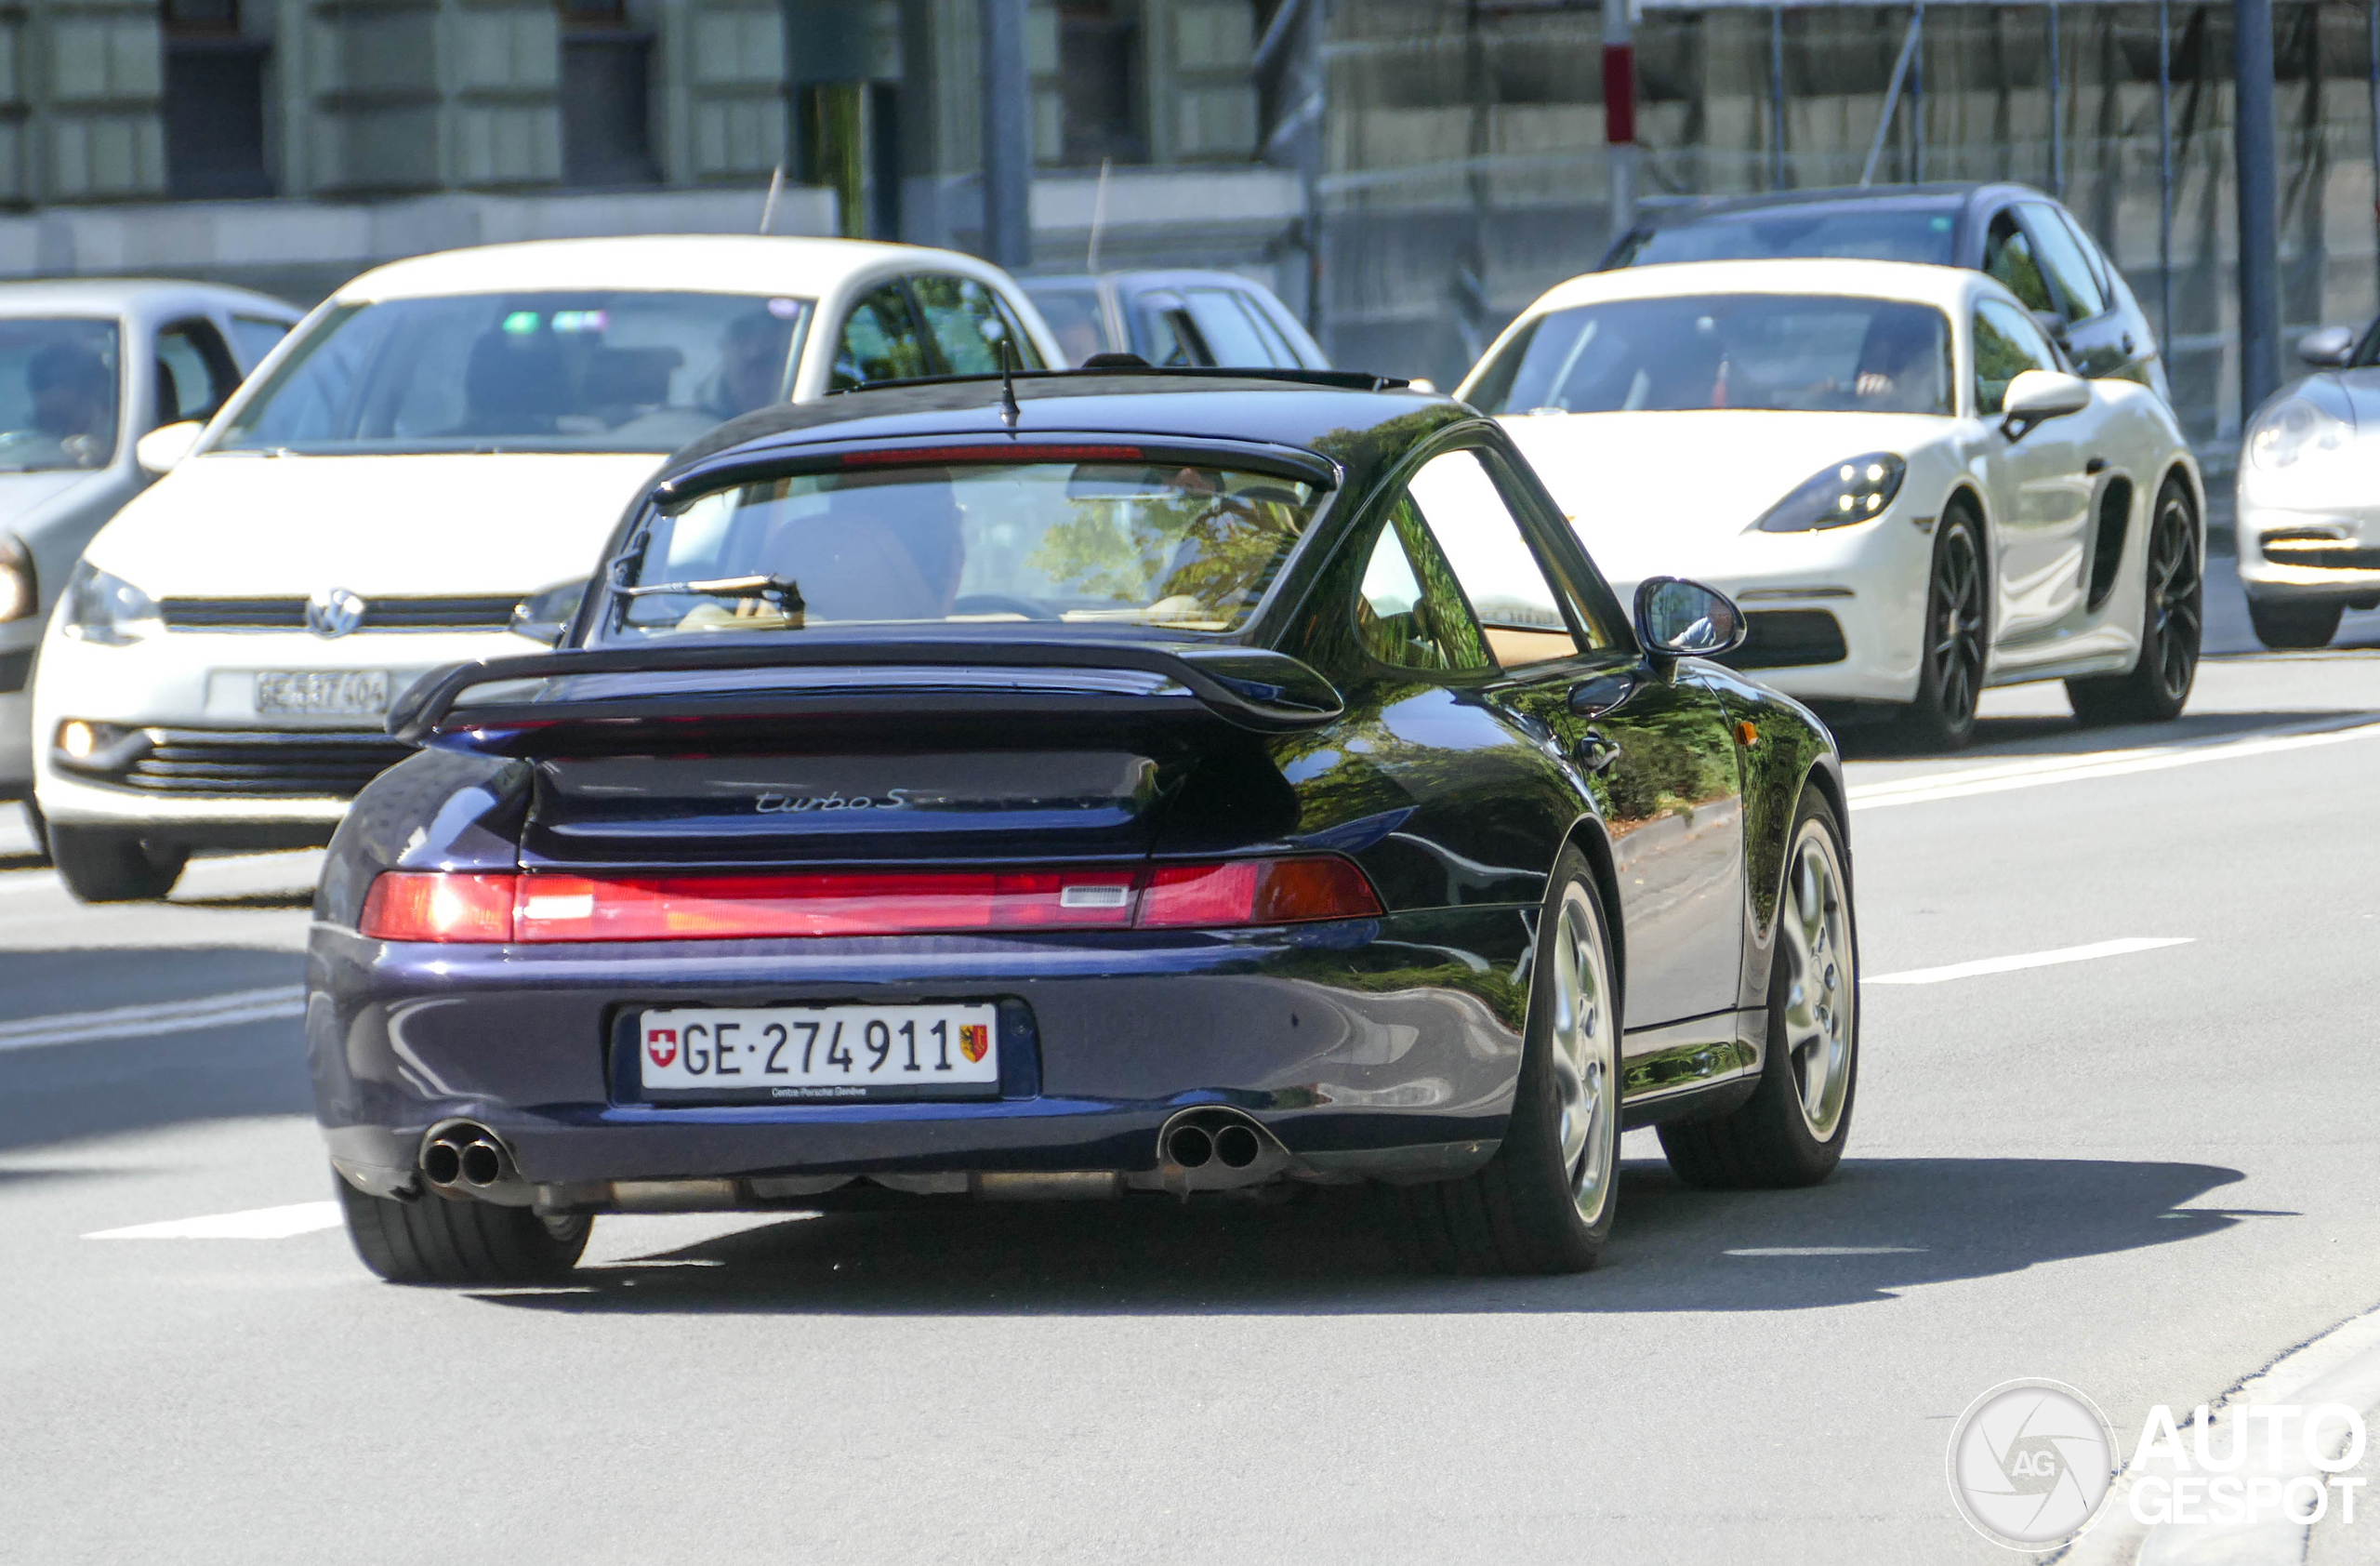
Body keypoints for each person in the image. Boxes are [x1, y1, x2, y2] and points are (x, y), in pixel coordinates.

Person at [704, 310, 795, 420]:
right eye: (747, 364)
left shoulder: (802, 423)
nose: (755, 376)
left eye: (767, 361)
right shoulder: (694, 422)